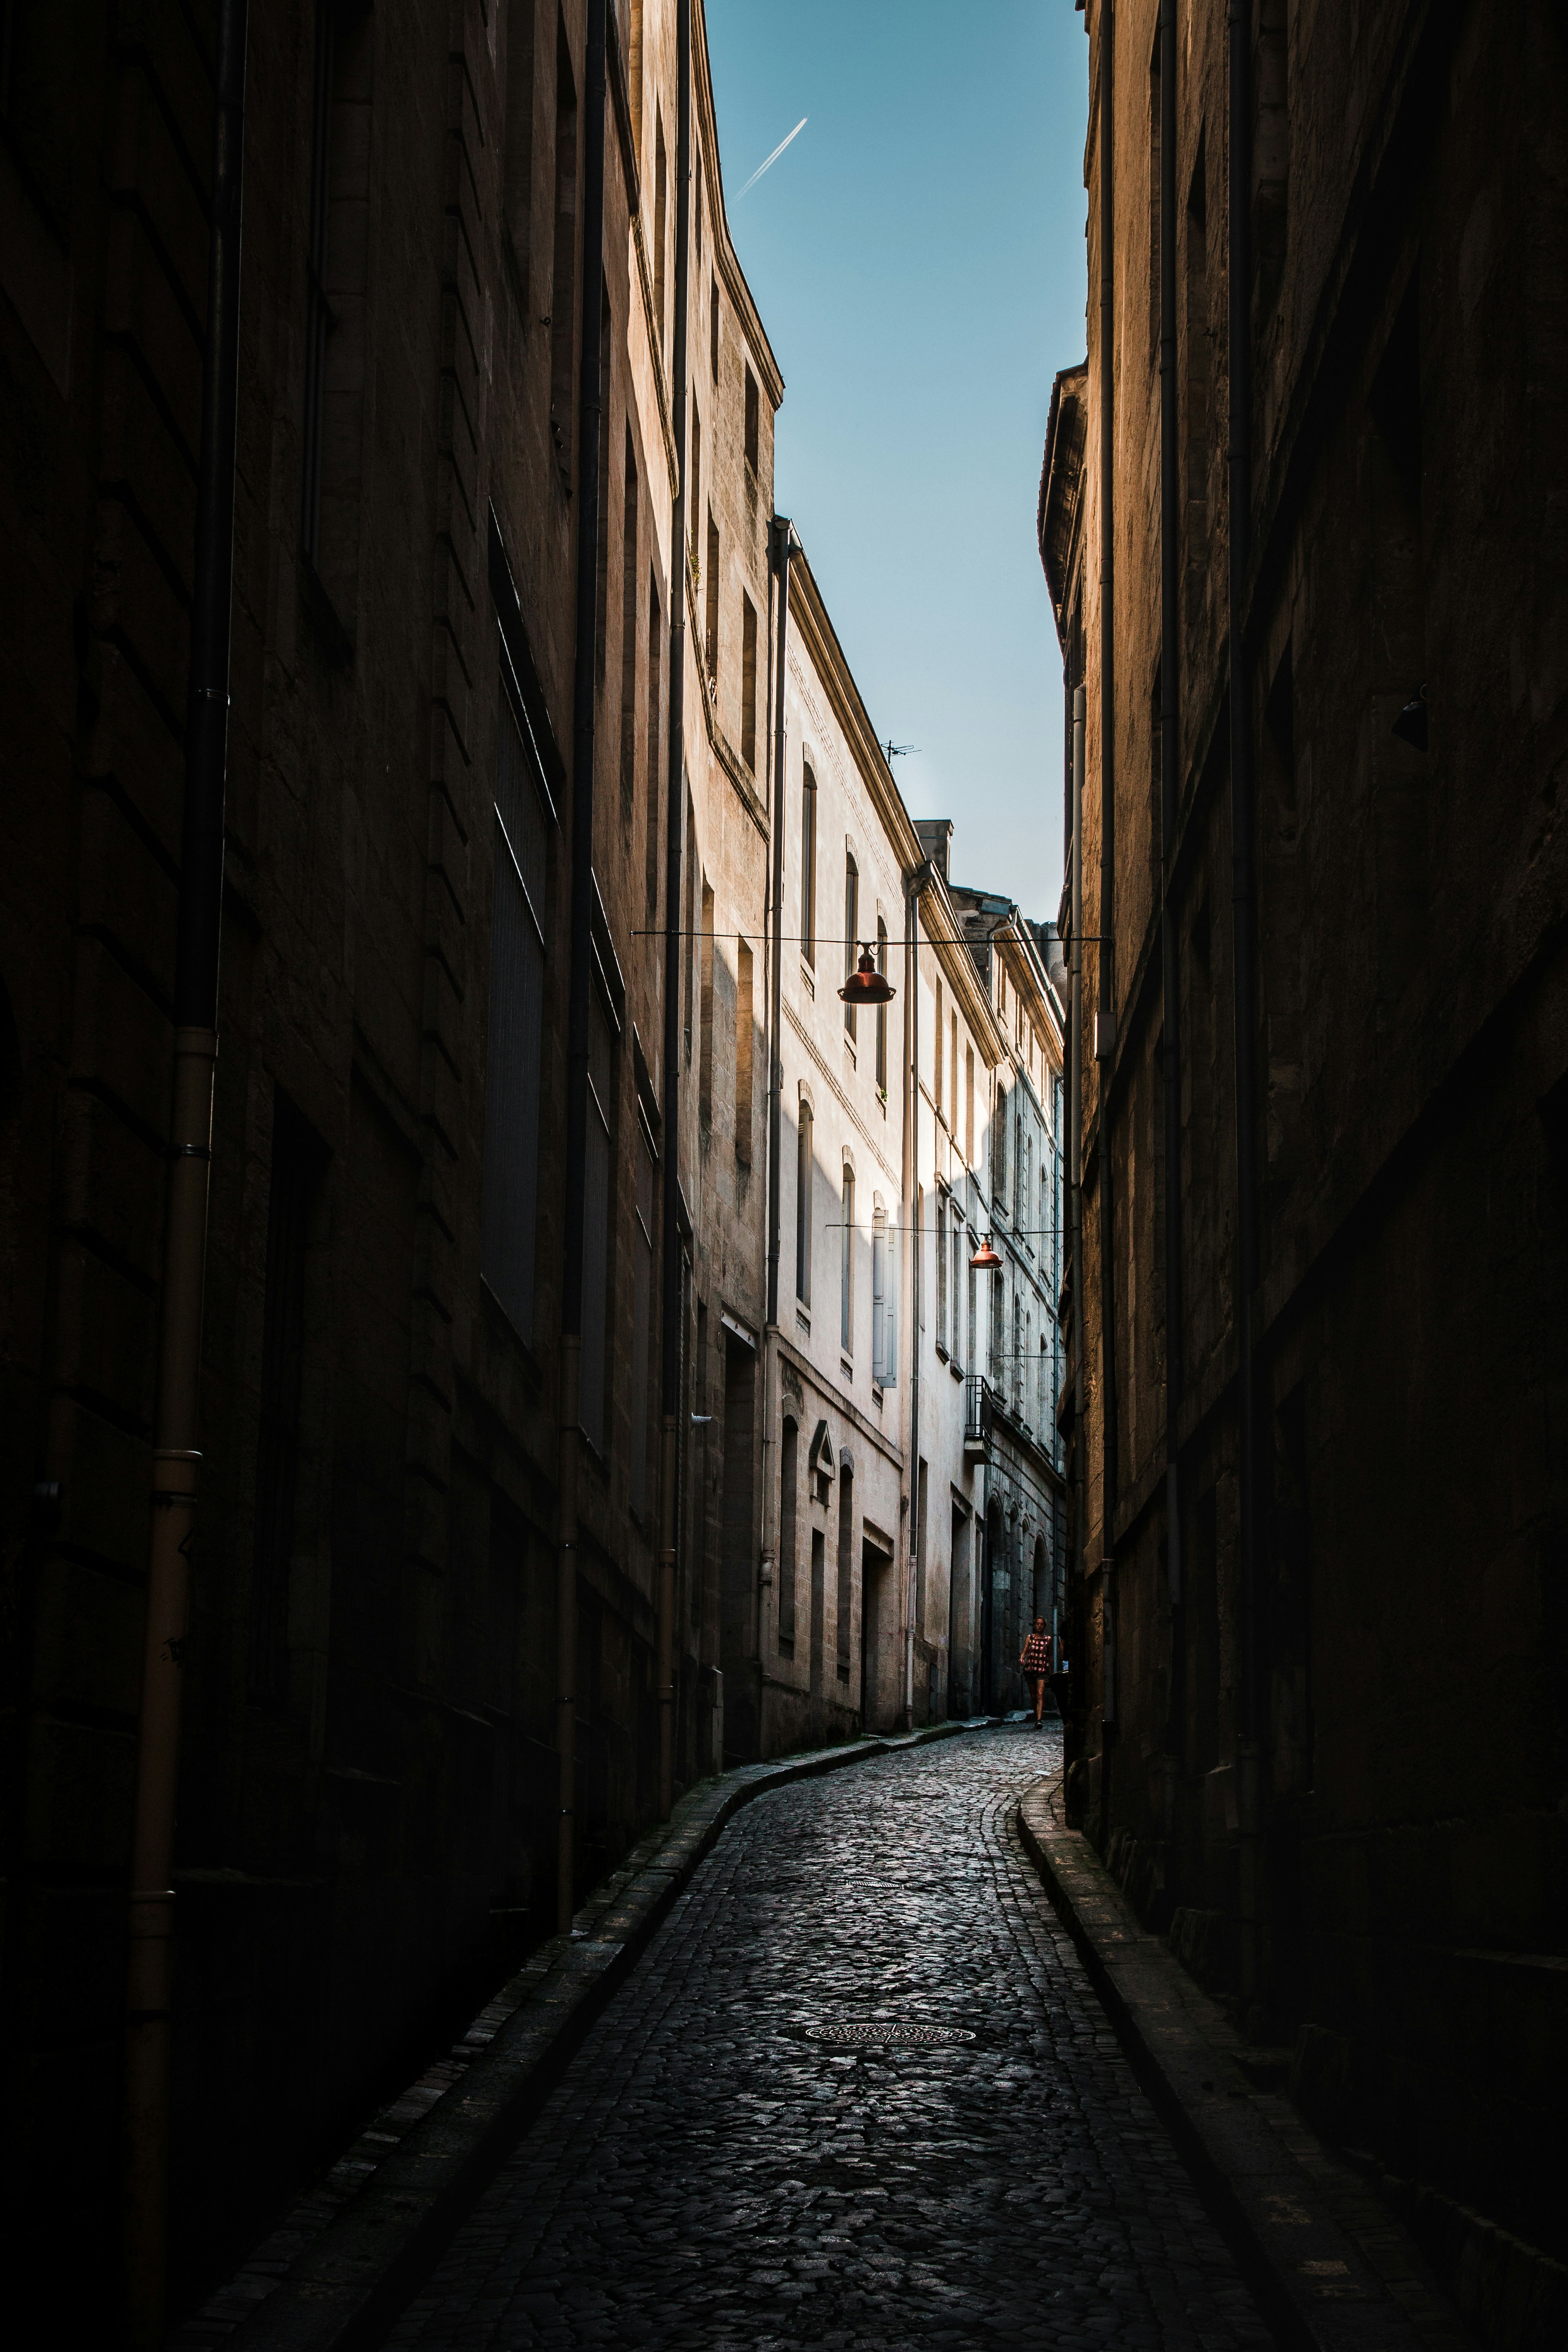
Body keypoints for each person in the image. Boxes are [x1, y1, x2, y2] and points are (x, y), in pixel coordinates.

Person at [1020, 1617, 1054, 1727]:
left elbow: (1050, 1656)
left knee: (1040, 1695)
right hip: (1030, 1669)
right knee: (1034, 1697)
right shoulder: (1030, 1638)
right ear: (1035, 1626)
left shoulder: (1048, 1639)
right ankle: (1036, 1716)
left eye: (1042, 1624)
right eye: (1038, 1624)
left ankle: (1039, 1720)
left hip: (1042, 1671)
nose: (1040, 1626)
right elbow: (1025, 1651)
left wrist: (1051, 1671)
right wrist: (1022, 1658)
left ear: (1045, 1626)